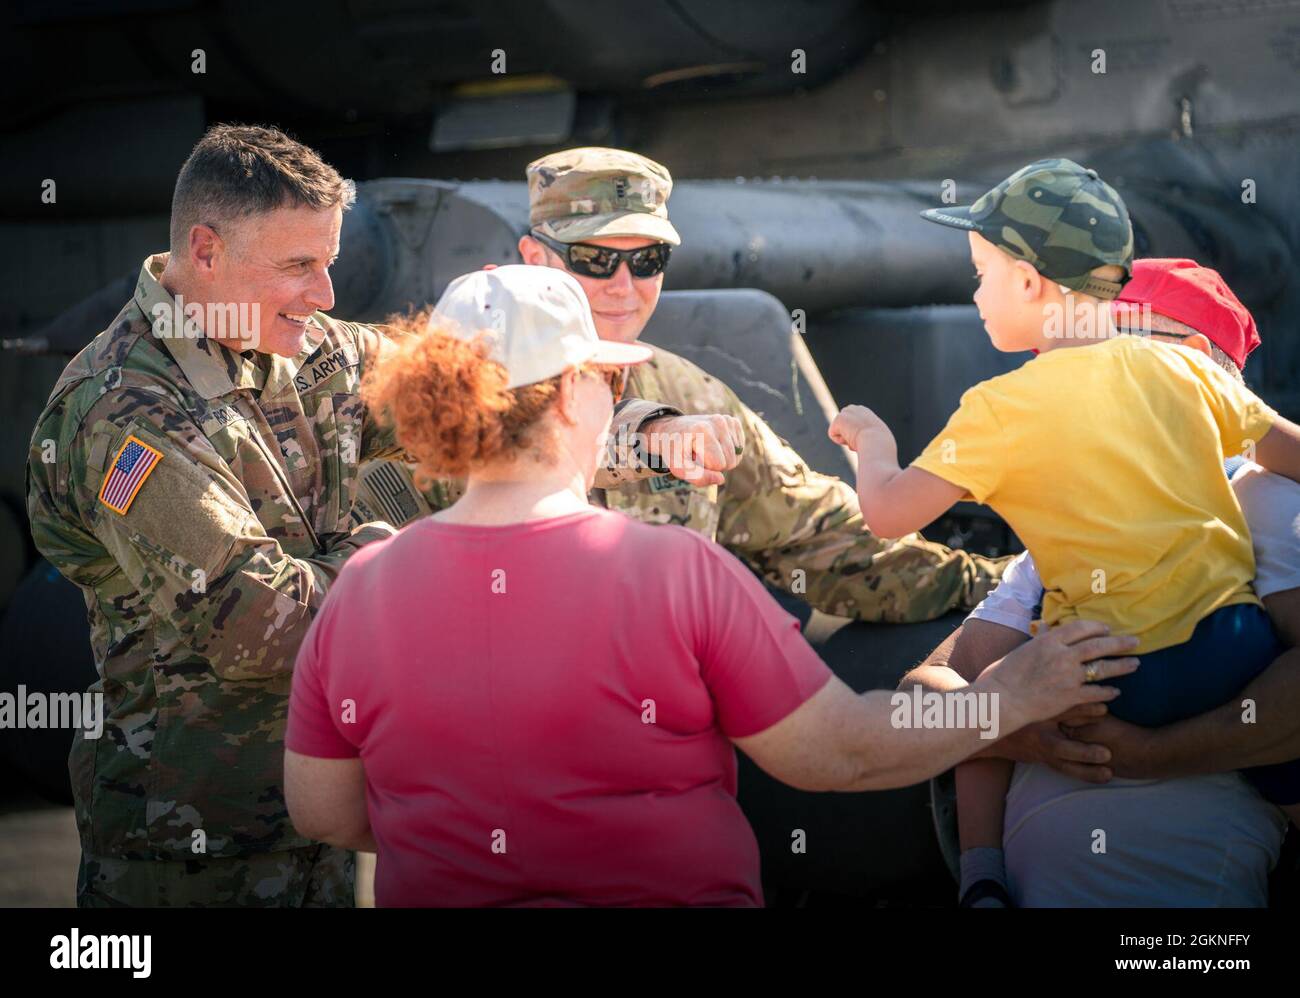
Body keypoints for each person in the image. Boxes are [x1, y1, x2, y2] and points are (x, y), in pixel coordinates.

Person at [24, 124, 740, 907]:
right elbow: (259, 626)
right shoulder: (126, 412)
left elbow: (495, 409)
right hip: (189, 853)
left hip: (327, 824)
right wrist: (394, 560)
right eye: (298, 267)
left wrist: (649, 434)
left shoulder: (308, 348)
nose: (325, 295)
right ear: (205, 252)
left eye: (328, 263)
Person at [282, 264, 1139, 907]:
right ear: (580, 394)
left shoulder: (360, 588)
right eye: (610, 380)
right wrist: (1009, 697)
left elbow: (324, 810)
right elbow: (842, 751)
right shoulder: (675, 572)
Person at [364, 146, 1007, 623]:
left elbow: (820, 537)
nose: (624, 285)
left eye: (648, 260)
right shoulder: (453, 398)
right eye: (594, 259)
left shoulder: (691, 394)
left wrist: (1009, 588)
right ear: (534, 259)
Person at [901, 257, 1300, 907]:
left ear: (1192, 362)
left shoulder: (1263, 502)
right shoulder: (1077, 532)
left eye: (1106, 347)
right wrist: (1020, 730)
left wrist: (1149, 753)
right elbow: (921, 696)